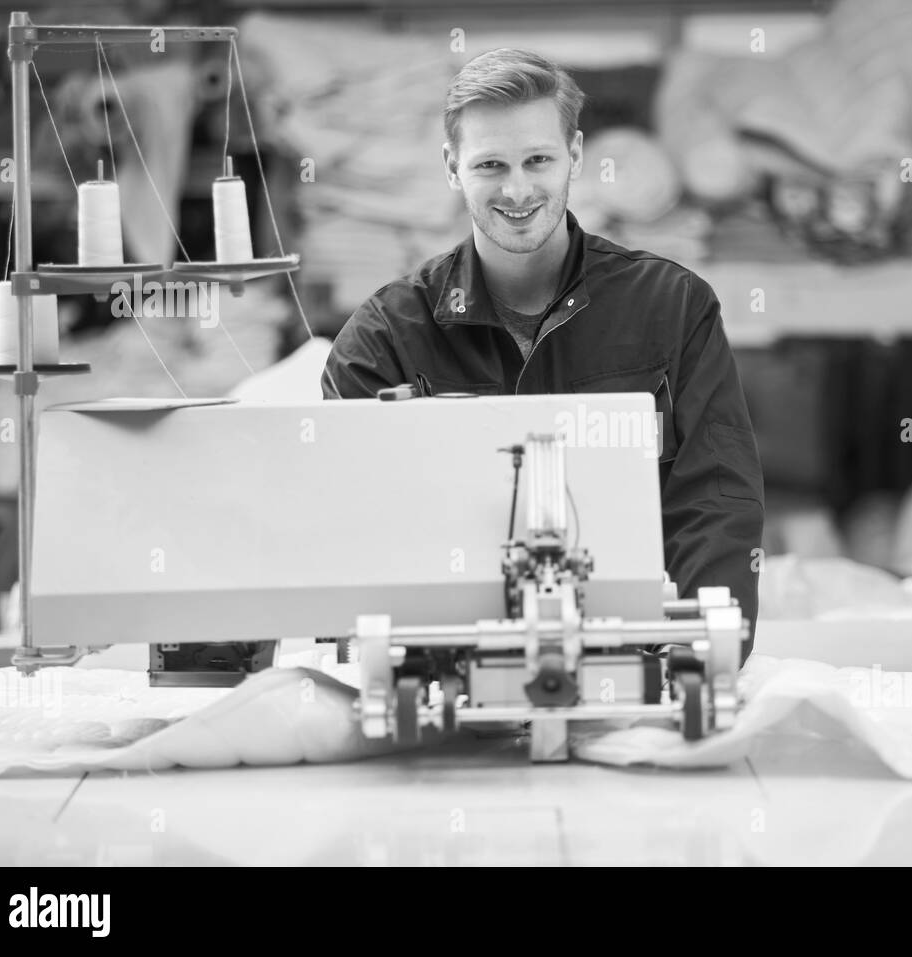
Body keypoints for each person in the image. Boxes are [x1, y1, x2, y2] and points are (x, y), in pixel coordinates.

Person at [321, 48, 764, 662]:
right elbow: (350, 523)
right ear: (452, 168)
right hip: (440, 686)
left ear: (576, 156)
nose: (517, 188)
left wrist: (700, 657)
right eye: (490, 165)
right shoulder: (386, 336)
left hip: (633, 665)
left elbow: (714, 498)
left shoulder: (673, 307)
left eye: (538, 160)